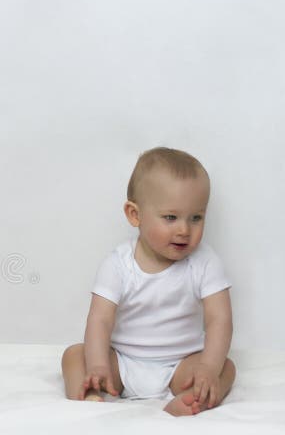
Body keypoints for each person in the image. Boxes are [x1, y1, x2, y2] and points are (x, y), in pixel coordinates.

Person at [61, 148, 235, 416]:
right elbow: (100, 320)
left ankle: (191, 400)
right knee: (74, 356)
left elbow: (219, 319)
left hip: (181, 366)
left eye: (196, 217)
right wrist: (98, 365)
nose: (184, 230)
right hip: (122, 362)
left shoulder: (205, 262)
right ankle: (91, 397)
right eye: (170, 217)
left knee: (226, 368)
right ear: (135, 215)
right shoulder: (118, 263)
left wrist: (208, 368)